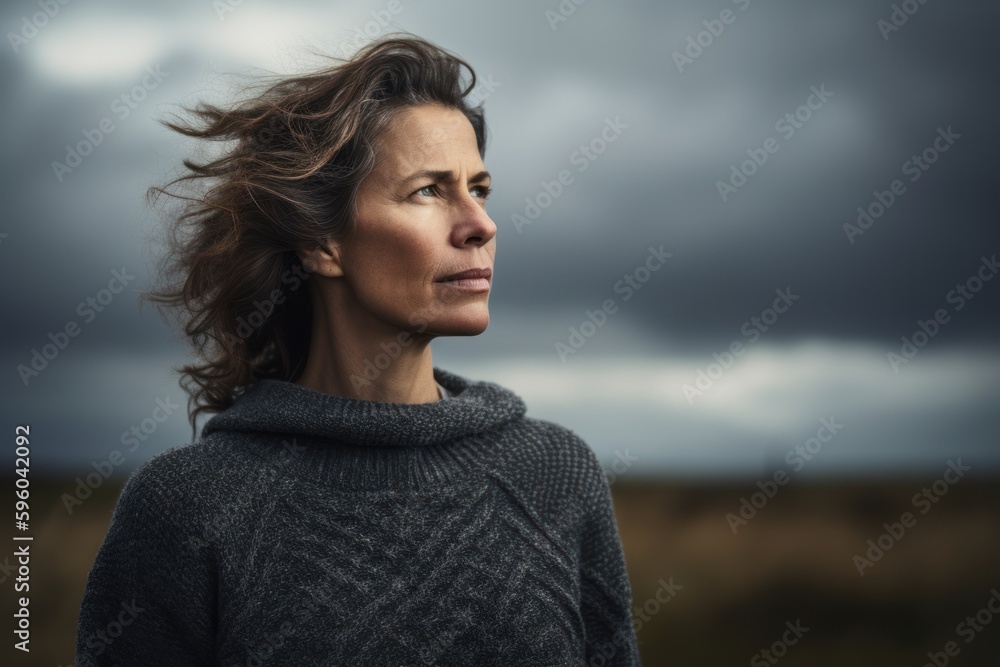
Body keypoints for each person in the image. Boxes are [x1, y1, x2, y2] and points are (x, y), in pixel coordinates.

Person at [76, 34, 641, 666]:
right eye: (429, 190)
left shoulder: (555, 475)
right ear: (321, 243)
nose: (481, 224)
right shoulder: (187, 508)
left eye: (478, 188)